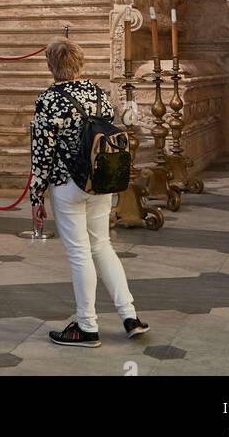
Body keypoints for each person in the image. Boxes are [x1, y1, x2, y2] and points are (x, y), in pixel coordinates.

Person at [30, 36, 149, 348]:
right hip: (100, 180)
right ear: (79, 63)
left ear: (51, 66)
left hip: (67, 184)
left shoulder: (48, 100)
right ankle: (129, 316)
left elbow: (42, 153)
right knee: (102, 246)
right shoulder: (99, 94)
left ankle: (86, 326)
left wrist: (36, 197)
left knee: (80, 252)